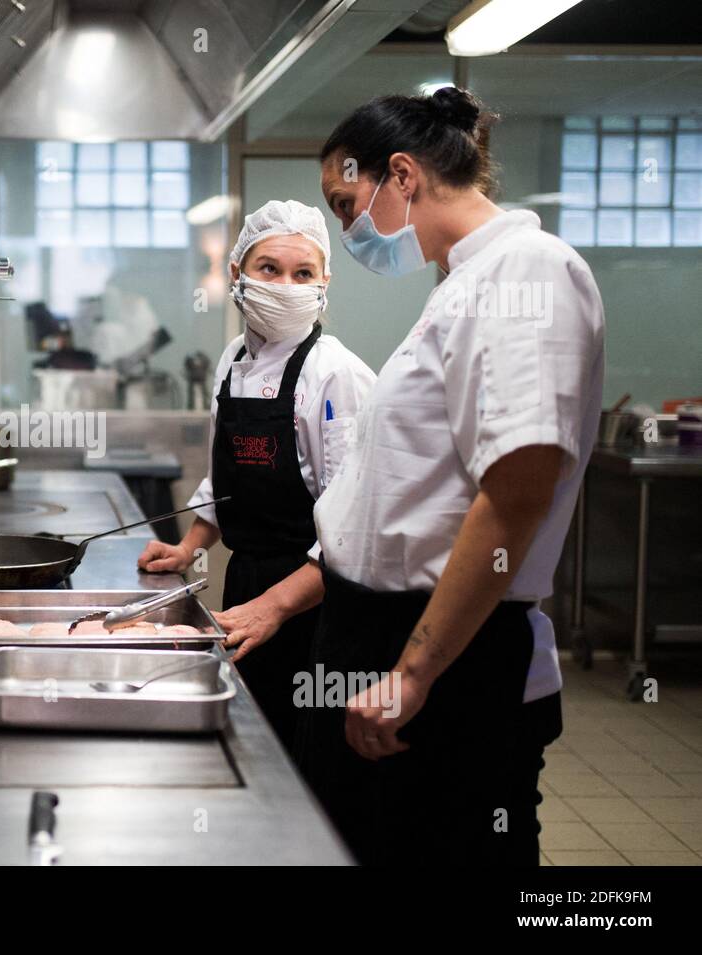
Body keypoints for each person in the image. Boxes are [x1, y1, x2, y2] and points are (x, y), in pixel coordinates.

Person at [221, 87, 605, 865]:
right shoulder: (460, 284)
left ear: (401, 173)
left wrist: (414, 670)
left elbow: (517, 493)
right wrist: (277, 603)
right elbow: (387, 497)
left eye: (345, 205)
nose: (346, 230)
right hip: (369, 635)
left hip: (447, 657)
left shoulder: (528, 272)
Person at [136, 200, 375, 753]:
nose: (285, 286)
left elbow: (353, 530)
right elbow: (225, 481)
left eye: (303, 273)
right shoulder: (232, 360)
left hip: (317, 599)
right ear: (237, 273)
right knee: (255, 736)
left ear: (324, 284)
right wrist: (190, 546)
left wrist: (276, 606)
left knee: (307, 752)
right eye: (269, 268)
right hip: (248, 584)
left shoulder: (334, 375)